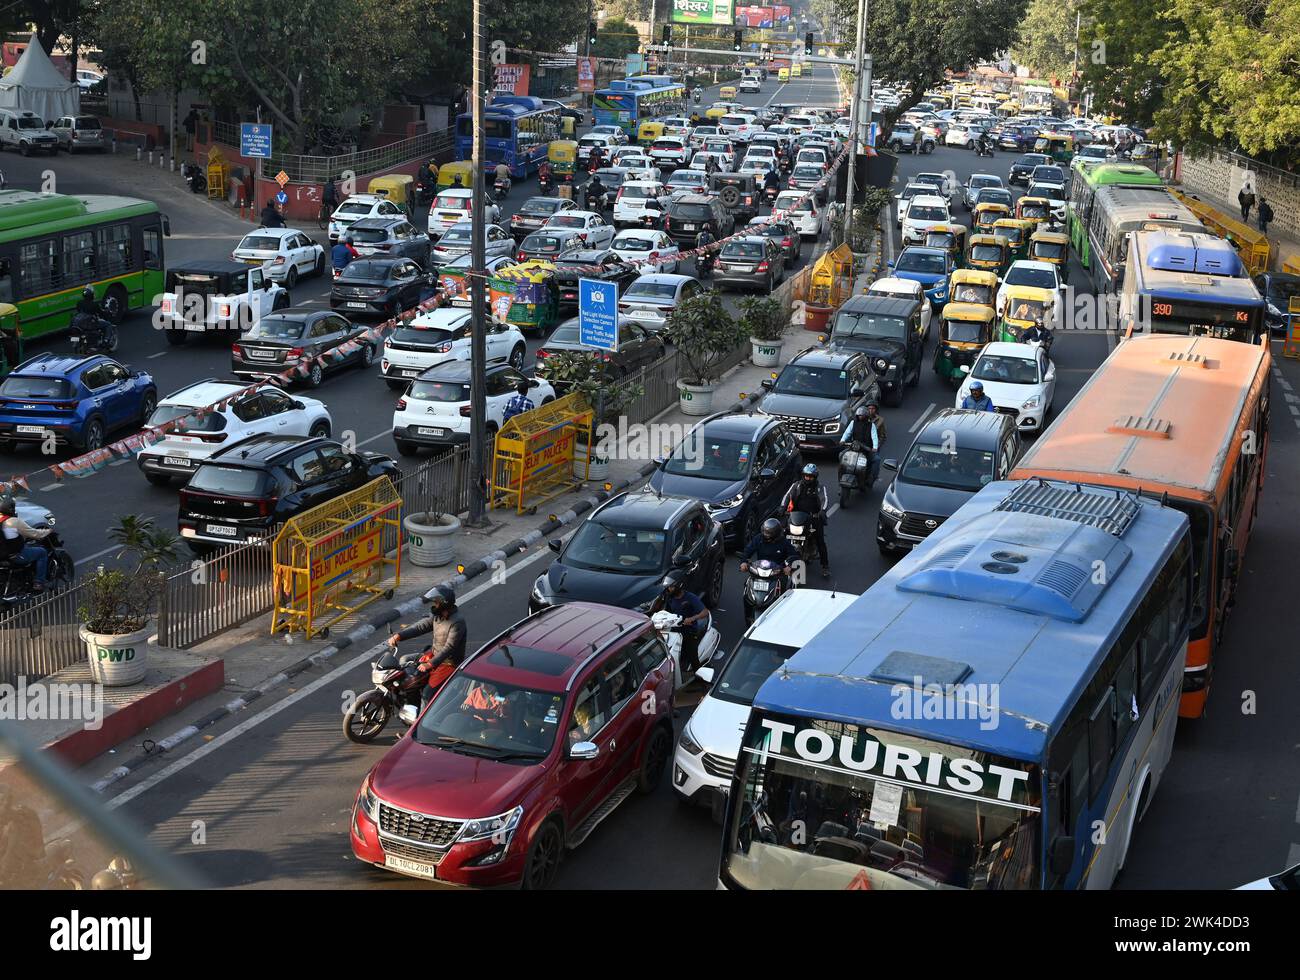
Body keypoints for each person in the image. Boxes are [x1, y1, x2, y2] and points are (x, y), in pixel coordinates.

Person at [387, 586, 467, 709]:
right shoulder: (438, 616)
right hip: (434, 654)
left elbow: (449, 648)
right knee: (404, 661)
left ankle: (419, 722)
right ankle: (412, 704)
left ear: (444, 604)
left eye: (436, 602)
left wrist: (430, 663)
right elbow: (420, 627)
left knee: (427, 694)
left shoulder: (457, 622)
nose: (434, 605)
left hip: (448, 663)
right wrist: (399, 635)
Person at [650, 570, 709, 677]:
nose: (669, 589)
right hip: (673, 630)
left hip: (689, 631)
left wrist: (691, 618)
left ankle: (700, 678)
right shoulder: (669, 597)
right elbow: (664, 612)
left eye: (671, 587)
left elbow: (705, 612)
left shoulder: (690, 597)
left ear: (679, 585)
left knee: (692, 656)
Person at [781, 463, 830, 578]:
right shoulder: (796, 486)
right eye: (806, 476)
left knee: (820, 541)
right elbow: (787, 496)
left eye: (811, 476)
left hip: (813, 518)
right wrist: (782, 508)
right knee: (782, 536)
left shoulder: (819, 488)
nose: (808, 478)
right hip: (796, 517)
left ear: (815, 477)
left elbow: (825, 499)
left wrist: (822, 511)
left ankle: (825, 566)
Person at [0, 495, 52, 591]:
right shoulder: (13, 522)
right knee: (42, 552)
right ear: (11, 509)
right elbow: (34, 534)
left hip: (2, 556)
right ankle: (38, 582)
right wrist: (47, 531)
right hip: (16, 556)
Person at [841, 402, 885, 487]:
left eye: (862, 415)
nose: (860, 416)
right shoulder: (853, 423)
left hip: (866, 448)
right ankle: (842, 477)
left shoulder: (871, 425)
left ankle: (871, 478)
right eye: (859, 415)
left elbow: (875, 437)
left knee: (876, 460)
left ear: (866, 416)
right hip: (854, 447)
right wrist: (842, 440)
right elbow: (847, 433)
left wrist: (875, 447)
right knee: (841, 455)